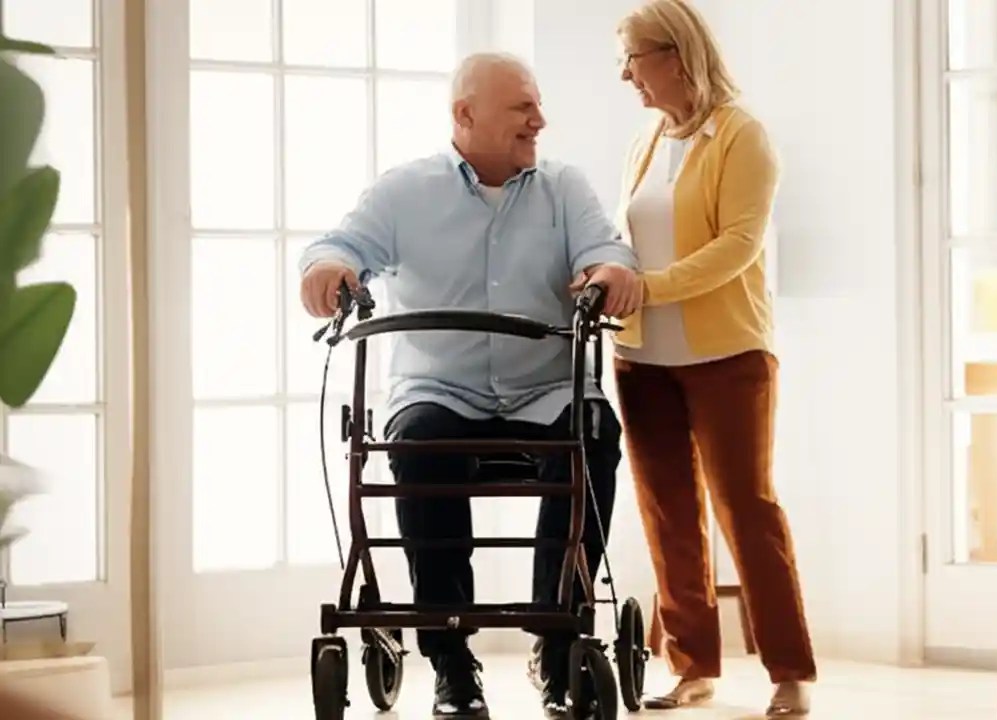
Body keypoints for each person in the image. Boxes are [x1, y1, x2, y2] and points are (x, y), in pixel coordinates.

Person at [299, 52, 641, 719]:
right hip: (440, 388)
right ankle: (451, 659)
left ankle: (556, 636)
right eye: (523, 107)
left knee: (595, 432)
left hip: (545, 388)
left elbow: (606, 250)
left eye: (537, 105)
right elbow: (337, 246)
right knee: (419, 443)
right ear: (465, 114)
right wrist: (329, 268)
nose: (539, 120)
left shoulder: (564, 187)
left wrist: (610, 272)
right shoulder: (406, 191)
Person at [610, 0, 815, 715]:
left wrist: (650, 287)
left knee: (747, 511)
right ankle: (691, 666)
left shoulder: (741, 135)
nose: (626, 75)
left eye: (632, 59)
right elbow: (630, 238)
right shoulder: (646, 140)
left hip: (728, 354)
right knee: (667, 515)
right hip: (642, 357)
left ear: (675, 55)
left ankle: (790, 672)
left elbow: (738, 246)